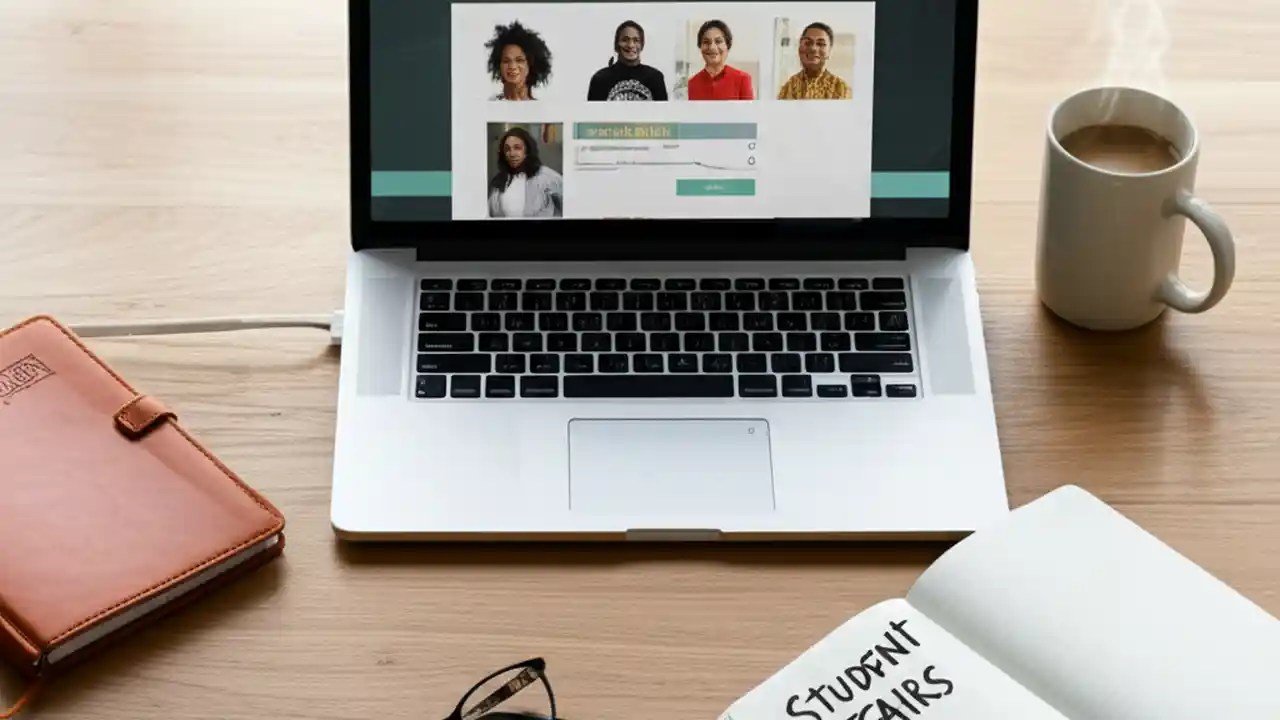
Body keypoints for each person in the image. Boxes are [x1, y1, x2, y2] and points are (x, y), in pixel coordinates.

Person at [487, 127, 563, 218]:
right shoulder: (498, 182)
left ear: (527, 150)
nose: (512, 153)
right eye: (507, 149)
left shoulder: (547, 177)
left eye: (517, 148)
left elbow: (571, 206)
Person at [587, 21, 668, 101]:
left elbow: (664, 113)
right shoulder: (600, 79)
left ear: (642, 45)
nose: (630, 45)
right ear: (616, 45)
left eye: (636, 40)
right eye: (625, 40)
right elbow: (592, 113)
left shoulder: (655, 78)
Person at [776, 22, 852, 100]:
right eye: (807, 43)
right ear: (799, 48)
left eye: (820, 44)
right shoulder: (788, 88)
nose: (813, 48)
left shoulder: (841, 89)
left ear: (829, 51)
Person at [686, 20, 754, 101]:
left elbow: (749, 113)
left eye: (718, 41)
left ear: (727, 46)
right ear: (700, 46)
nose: (712, 47)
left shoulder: (742, 80)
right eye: (706, 42)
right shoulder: (692, 84)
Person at [485, 21, 553, 101]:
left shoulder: (541, 109)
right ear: (499, 65)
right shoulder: (491, 106)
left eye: (519, 60)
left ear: (531, 64)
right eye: (506, 61)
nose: (512, 66)